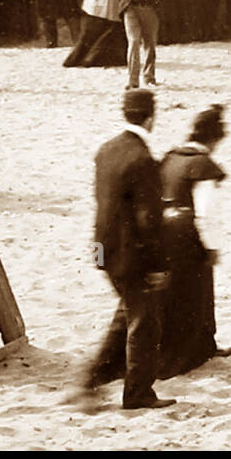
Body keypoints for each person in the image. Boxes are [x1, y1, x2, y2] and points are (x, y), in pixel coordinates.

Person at [82, 88, 172, 410]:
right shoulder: (143, 159)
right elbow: (148, 219)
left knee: (127, 313)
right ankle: (137, 394)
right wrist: (158, 264)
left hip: (103, 247)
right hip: (130, 253)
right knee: (144, 323)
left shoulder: (106, 150)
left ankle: (92, 380)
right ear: (150, 117)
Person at [157, 105, 231, 377]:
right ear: (213, 140)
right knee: (196, 295)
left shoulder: (170, 157)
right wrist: (212, 246)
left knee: (177, 295)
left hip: (162, 232)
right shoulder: (201, 165)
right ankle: (196, 350)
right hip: (187, 235)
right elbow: (206, 211)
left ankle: (201, 346)